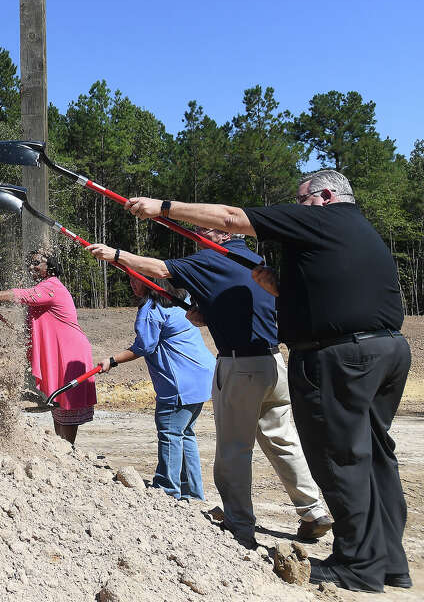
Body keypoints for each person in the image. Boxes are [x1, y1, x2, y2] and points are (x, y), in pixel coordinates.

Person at [121, 171, 410, 592]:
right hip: (387, 349)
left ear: (325, 196)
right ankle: (389, 562)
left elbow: (231, 217)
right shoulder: (359, 232)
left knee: (340, 457)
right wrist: (280, 289)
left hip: (338, 356)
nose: (296, 206)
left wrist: (162, 208)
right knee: (376, 455)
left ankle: (359, 565)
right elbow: (331, 291)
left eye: (301, 199)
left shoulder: (321, 219)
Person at [85, 229, 331, 548]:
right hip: (273, 362)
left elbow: (159, 269)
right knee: (283, 439)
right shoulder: (253, 260)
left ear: (226, 233)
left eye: (206, 229)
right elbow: (242, 307)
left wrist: (116, 255)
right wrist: (209, 315)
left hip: (240, 365)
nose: (198, 233)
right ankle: (312, 510)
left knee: (234, 448)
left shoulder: (212, 259)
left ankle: (239, 522)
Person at [98, 276, 214, 501]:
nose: (132, 285)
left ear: (149, 280)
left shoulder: (151, 310)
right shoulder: (181, 299)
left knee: (170, 432)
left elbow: (144, 346)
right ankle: (192, 493)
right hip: (202, 376)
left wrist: (112, 360)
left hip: (179, 383)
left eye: (136, 280)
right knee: (184, 434)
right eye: (129, 280)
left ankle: (167, 492)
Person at [0, 251, 94, 444]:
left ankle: (67, 449)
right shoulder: (45, 286)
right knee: (58, 403)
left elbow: (24, 295)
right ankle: (62, 447)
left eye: (37, 263)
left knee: (66, 404)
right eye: (30, 264)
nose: (31, 267)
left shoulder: (51, 286)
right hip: (60, 350)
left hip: (69, 352)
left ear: (50, 266)